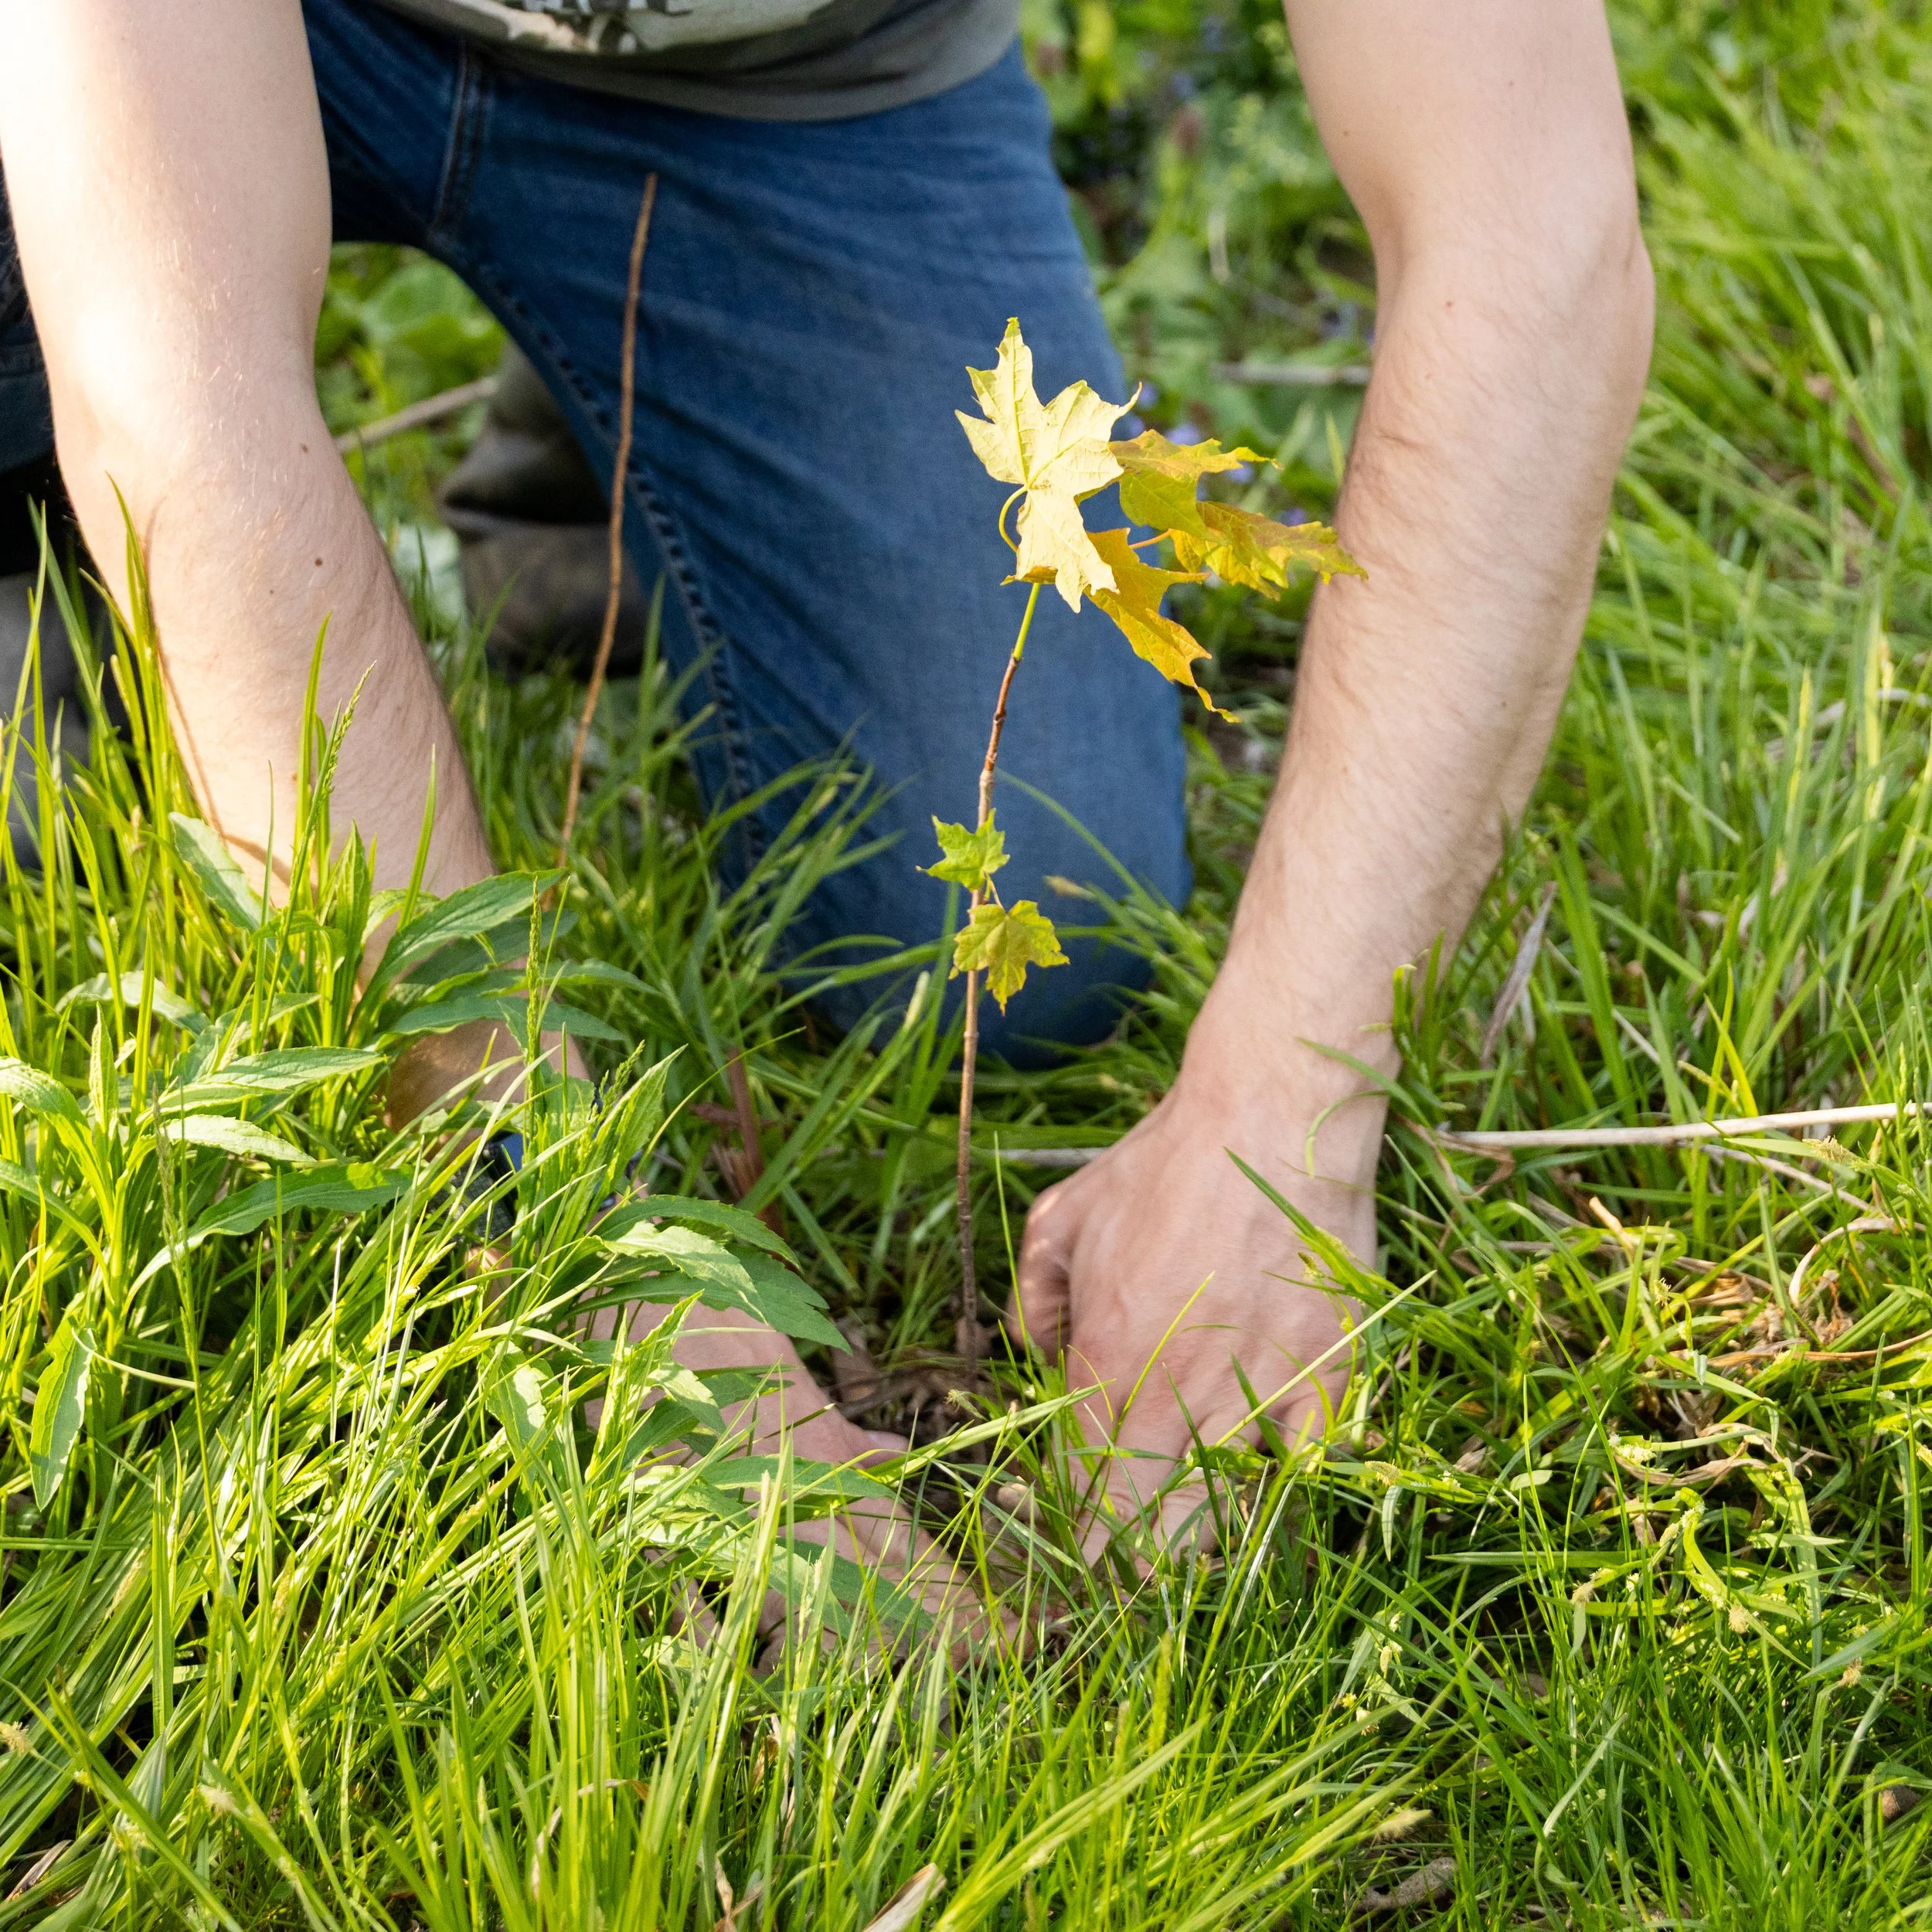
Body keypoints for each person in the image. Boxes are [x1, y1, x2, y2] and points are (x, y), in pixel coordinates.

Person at [0, 1, 1651, 1567]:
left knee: (1021, 937)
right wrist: (587, 1265)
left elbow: (1526, 226)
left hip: (783, 76)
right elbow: (175, 374)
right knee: (58, 776)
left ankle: (605, 455)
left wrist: (1281, 1119)